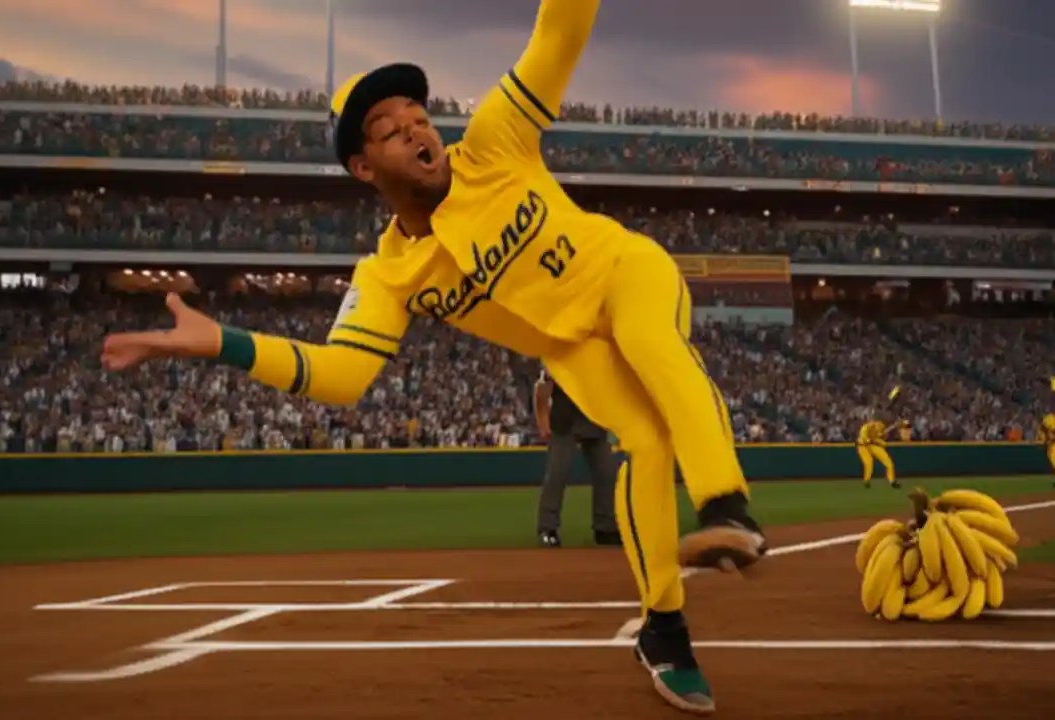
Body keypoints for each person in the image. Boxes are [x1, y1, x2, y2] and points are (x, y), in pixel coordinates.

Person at [99, 0, 765, 713]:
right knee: (646, 441)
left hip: (627, 273)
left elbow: (560, 31)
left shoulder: (495, 140)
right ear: (363, 166)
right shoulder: (387, 275)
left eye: (417, 113)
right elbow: (340, 376)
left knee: (652, 342)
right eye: (388, 129)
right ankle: (664, 630)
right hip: (570, 350)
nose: (414, 126)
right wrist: (224, 343)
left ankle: (727, 507)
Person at [533, 367, 621, 548]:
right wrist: (542, 419)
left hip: (596, 419)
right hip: (565, 419)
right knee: (557, 473)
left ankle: (606, 527)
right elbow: (542, 387)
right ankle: (548, 527)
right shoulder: (560, 355)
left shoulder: (599, 355)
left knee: (607, 472)